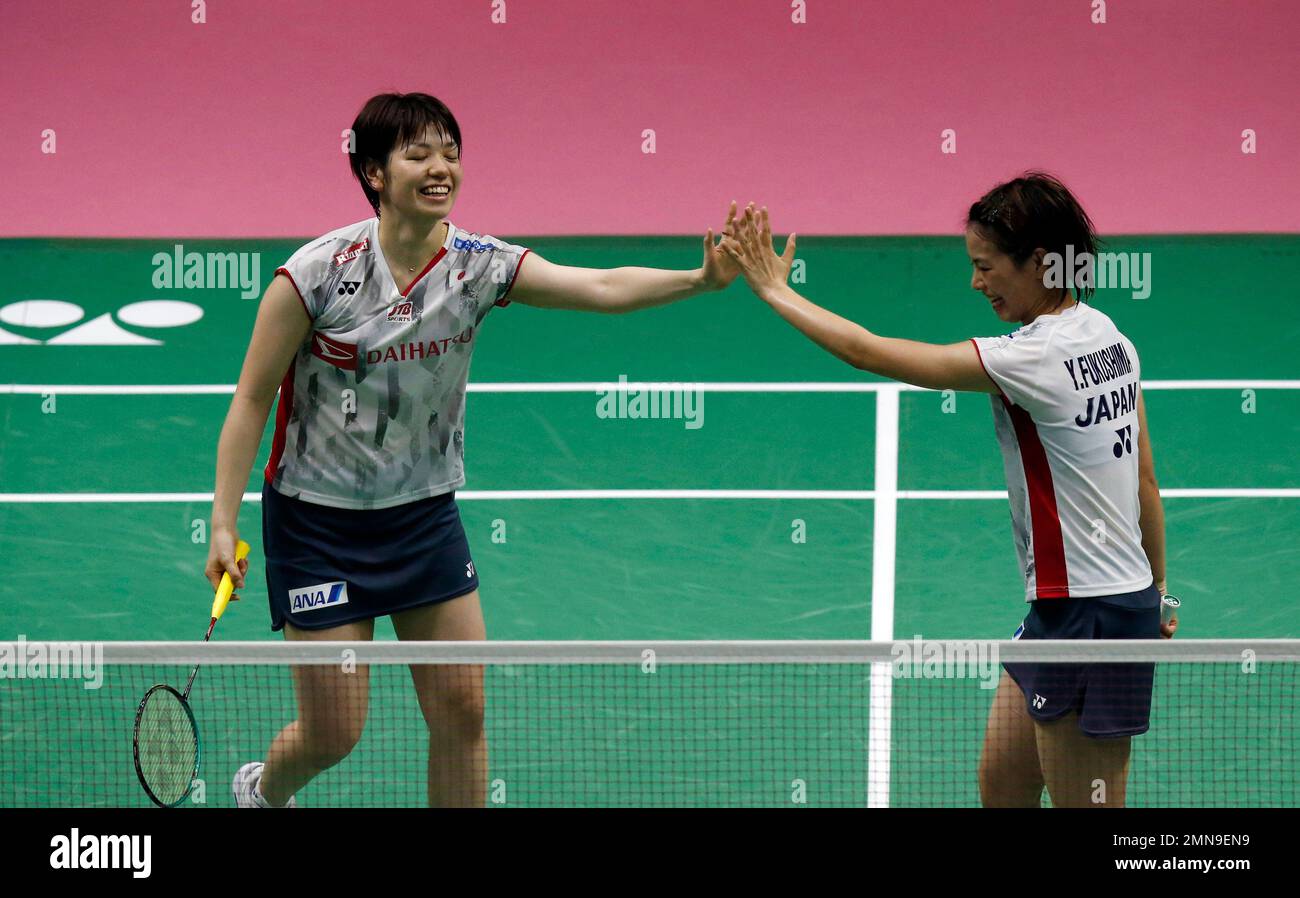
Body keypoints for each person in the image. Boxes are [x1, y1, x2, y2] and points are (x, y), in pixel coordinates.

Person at [205, 92, 740, 808]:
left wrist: (700, 280)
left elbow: (600, 285)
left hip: (422, 517)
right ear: (372, 173)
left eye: (450, 152)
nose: (440, 168)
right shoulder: (315, 275)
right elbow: (250, 398)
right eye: (418, 154)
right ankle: (263, 790)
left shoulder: (479, 266)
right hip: (318, 527)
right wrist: (221, 520)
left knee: (462, 710)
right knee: (334, 732)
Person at [718, 174, 1178, 808]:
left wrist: (772, 289)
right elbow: (1145, 483)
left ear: (1040, 263)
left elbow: (868, 352)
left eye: (986, 266)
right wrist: (1158, 592)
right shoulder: (1111, 340)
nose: (976, 282)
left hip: (1091, 617)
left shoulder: (1033, 358)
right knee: (1004, 784)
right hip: (1072, 609)